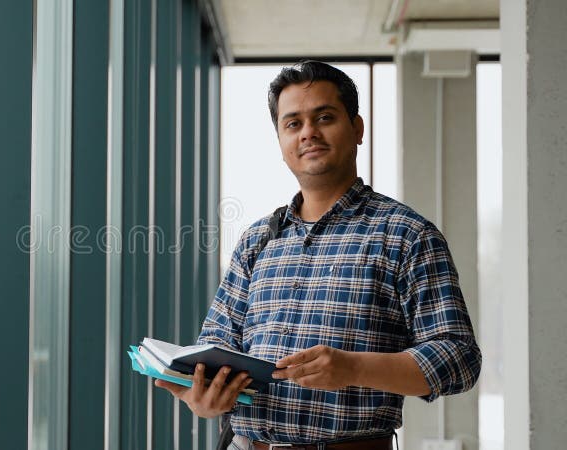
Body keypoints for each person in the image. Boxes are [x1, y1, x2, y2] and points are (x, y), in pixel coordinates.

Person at [155, 60, 481, 450]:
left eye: (324, 117)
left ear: (357, 128)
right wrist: (203, 396)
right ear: (281, 142)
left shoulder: (406, 235)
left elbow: (458, 358)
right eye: (293, 124)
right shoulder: (257, 240)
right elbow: (215, 343)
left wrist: (354, 367)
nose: (308, 132)